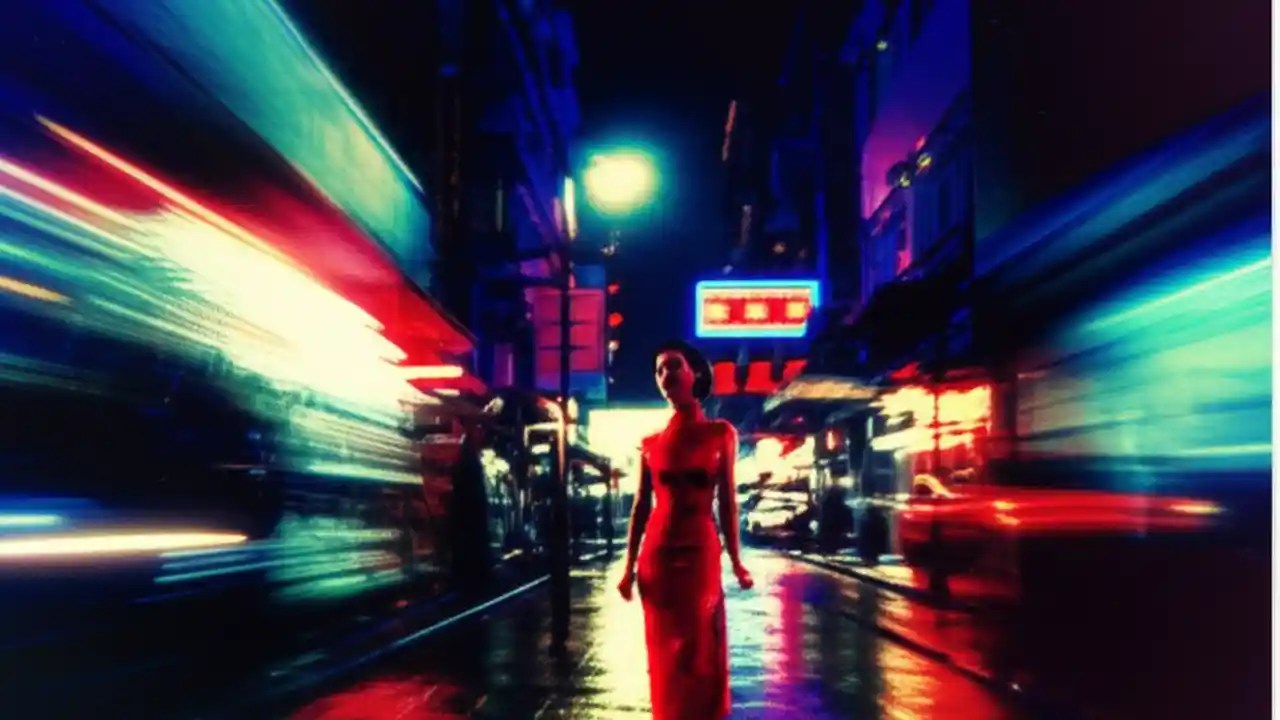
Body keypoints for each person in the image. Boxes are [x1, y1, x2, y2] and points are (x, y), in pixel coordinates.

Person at [616, 340, 754, 720]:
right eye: (659, 370)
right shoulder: (649, 445)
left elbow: (727, 500)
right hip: (657, 559)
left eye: (674, 366)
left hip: (700, 554)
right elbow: (641, 507)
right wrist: (628, 567)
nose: (666, 375)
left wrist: (737, 560)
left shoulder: (720, 434)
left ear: (696, 373)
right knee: (665, 657)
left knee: (699, 653)